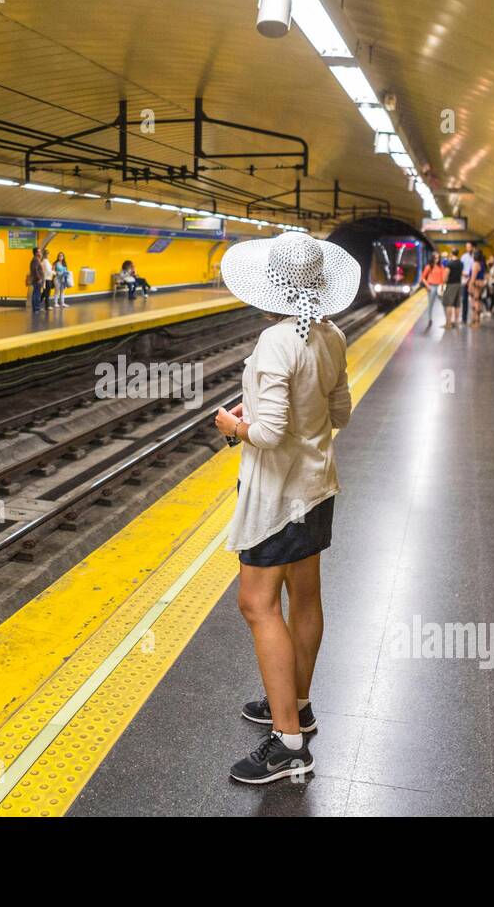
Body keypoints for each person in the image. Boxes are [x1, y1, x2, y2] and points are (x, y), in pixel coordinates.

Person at [211, 231, 357, 784]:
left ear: (274, 284)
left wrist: (234, 425)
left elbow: (268, 435)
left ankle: (288, 743)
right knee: (306, 595)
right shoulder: (330, 333)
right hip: (317, 487)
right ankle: (296, 705)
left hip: (277, 496)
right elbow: (338, 412)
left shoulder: (277, 340)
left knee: (257, 605)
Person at [420, 253, 446, 329]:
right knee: (430, 304)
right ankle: (430, 319)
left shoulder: (441, 267)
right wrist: (427, 285)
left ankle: (447, 320)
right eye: (435, 258)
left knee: (443, 303)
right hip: (431, 287)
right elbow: (422, 278)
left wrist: (442, 286)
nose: (437, 260)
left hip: (439, 287)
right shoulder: (429, 267)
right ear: (432, 258)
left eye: (438, 258)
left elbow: (443, 278)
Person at [441, 251, 463, 328]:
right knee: (457, 304)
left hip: (451, 285)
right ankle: (456, 322)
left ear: (451, 254)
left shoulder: (449, 264)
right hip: (459, 284)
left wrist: (444, 282)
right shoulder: (460, 263)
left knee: (448, 304)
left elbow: (445, 276)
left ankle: (448, 323)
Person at [27, 247, 45, 313]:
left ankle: (37, 307)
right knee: (36, 294)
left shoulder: (37, 259)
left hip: (38, 280)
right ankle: (36, 308)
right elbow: (35, 270)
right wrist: (39, 278)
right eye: (39, 251)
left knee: (37, 294)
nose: (40, 253)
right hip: (37, 280)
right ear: (36, 253)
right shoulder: (35, 260)